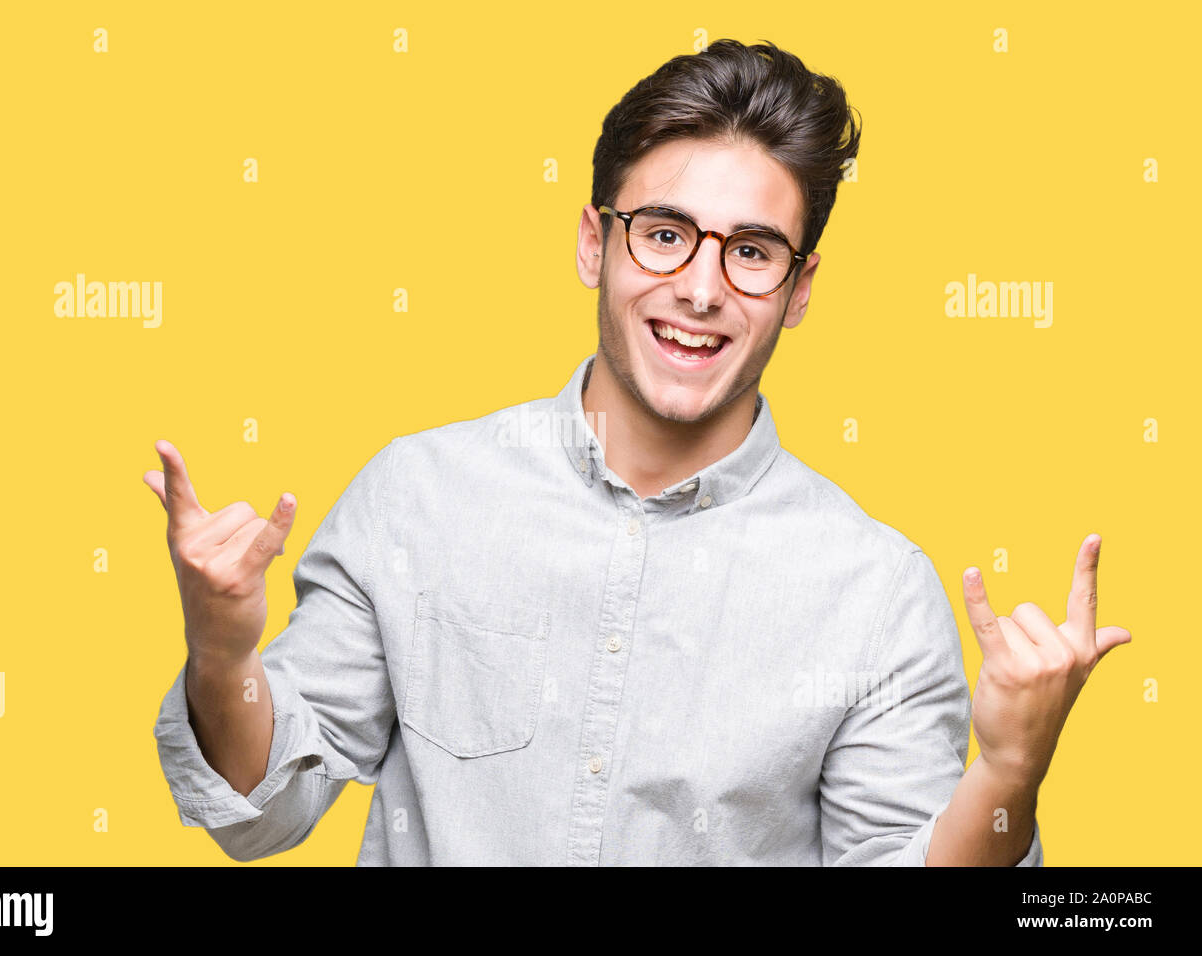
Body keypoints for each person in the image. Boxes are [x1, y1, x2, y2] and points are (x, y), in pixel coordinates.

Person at [146, 38, 1131, 865]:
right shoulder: (418, 497)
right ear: (594, 243)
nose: (703, 289)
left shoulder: (875, 595)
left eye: (750, 250)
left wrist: (1006, 776)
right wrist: (223, 649)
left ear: (798, 287)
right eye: (664, 233)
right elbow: (262, 807)